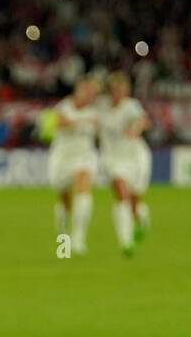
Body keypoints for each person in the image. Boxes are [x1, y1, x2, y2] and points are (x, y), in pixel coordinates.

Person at [100, 72, 152, 255]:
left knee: (135, 200)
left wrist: (135, 128)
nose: (118, 93)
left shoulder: (131, 106)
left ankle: (142, 218)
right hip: (113, 159)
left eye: (121, 90)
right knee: (121, 193)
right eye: (114, 90)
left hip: (135, 156)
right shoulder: (102, 107)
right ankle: (126, 241)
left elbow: (143, 120)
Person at [48, 76, 101, 255]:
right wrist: (81, 121)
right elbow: (59, 122)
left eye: (91, 92)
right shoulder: (65, 106)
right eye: (85, 90)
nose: (88, 95)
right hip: (62, 156)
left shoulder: (96, 112)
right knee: (64, 198)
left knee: (83, 188)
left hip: (84, 156)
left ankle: (79, 239)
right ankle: (63, 234)